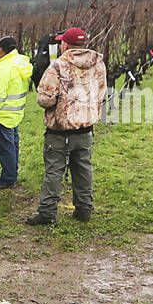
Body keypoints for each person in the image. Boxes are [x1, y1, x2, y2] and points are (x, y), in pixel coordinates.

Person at [26, 27, 105, 225]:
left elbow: (45, 99)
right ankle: (84, 210)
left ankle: (47, 213)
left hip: (60, 131)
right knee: (83, 169)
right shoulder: (98, 64)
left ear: (66, 45)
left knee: (54, 171)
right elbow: (101, 93)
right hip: (86, 129)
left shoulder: (58, 66)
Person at [0, 36, 33, 191]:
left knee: (4, 149)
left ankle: (7, 180)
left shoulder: (3, 67)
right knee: (12, 147)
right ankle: (11, 175)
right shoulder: (21, 61)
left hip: (3, 116)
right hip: (16, 113)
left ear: (1, 49)